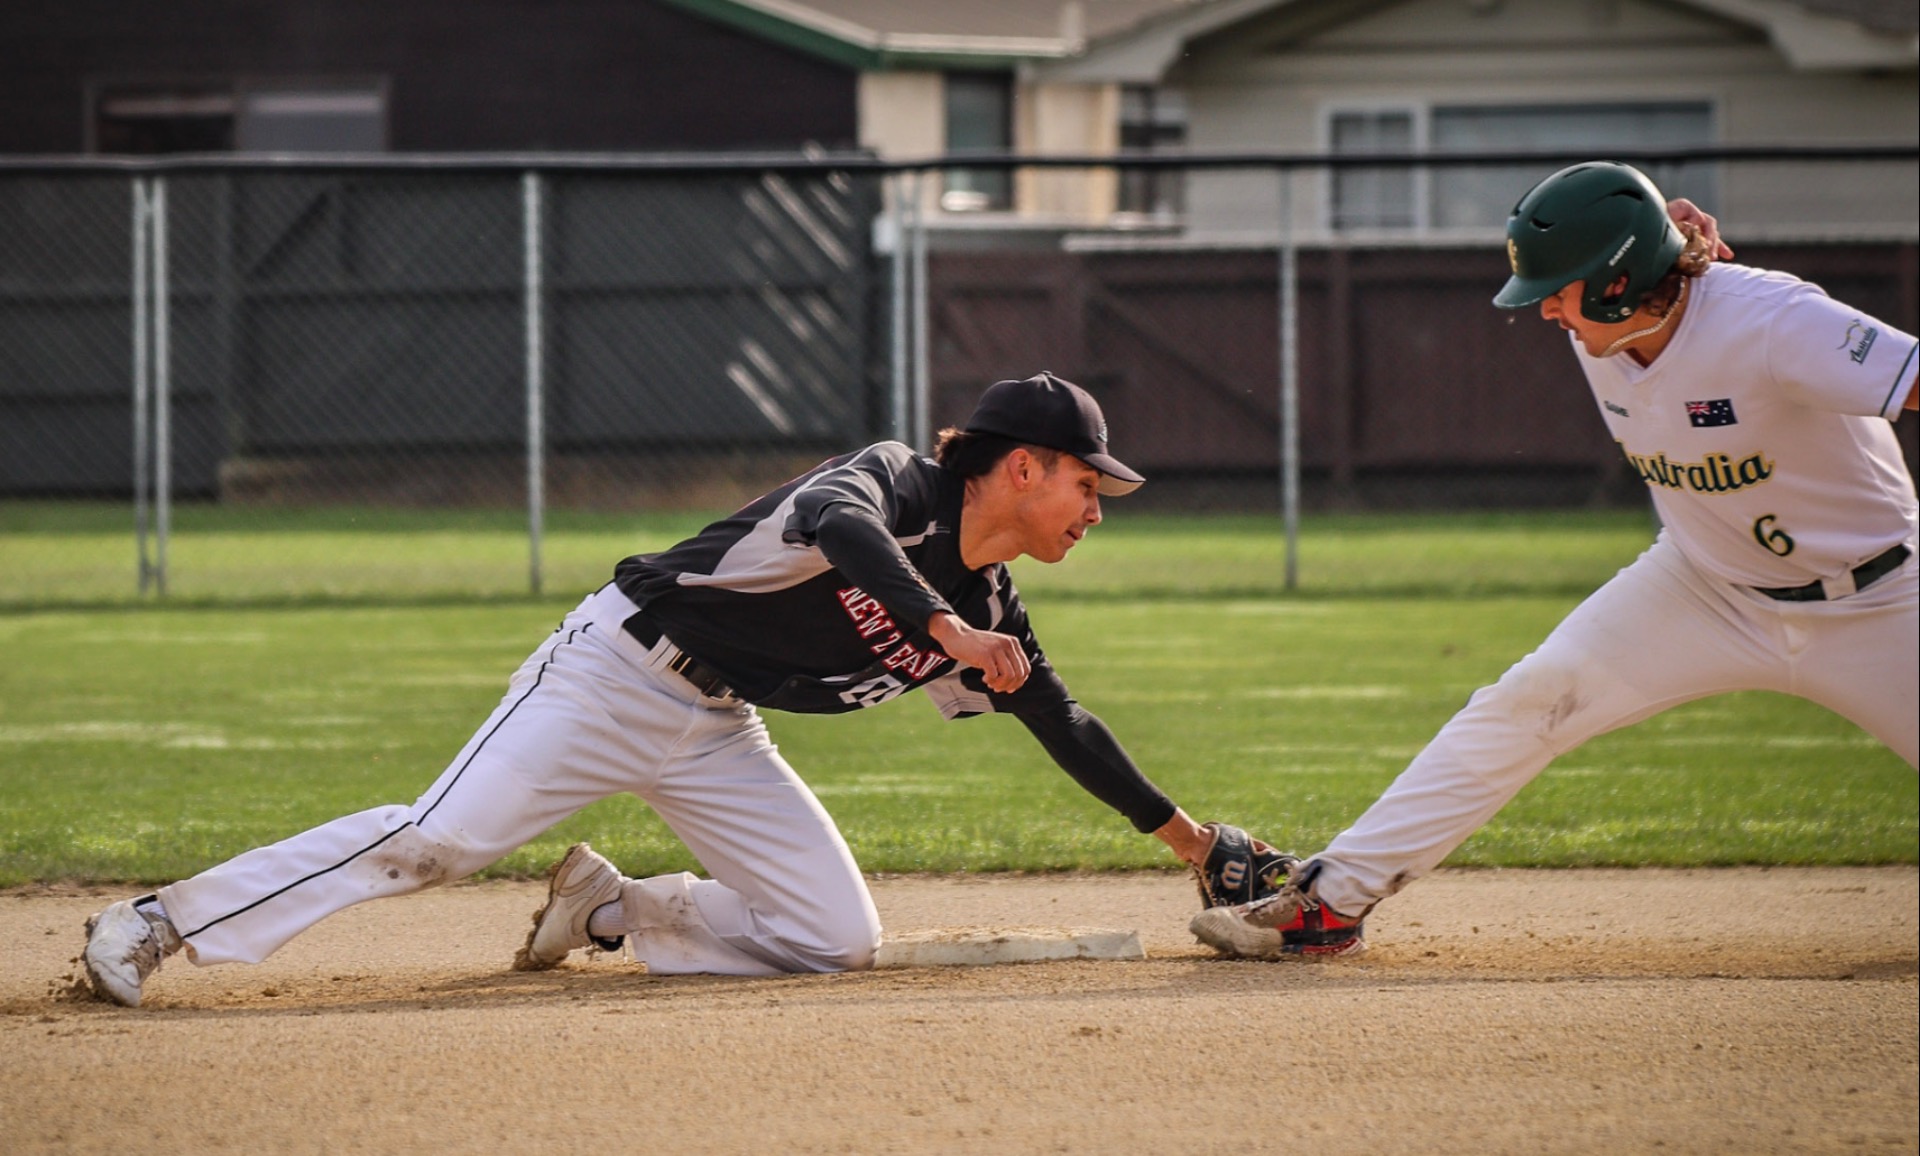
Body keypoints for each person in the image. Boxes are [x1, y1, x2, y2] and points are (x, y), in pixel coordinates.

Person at [83, 372, 1228, 1005]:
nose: (1095, 506)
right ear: (1017, 466)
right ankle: (156, 922)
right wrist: (939, 626)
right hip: (614, 672)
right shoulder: (892, 480)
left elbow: (1061, 719)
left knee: (834, 937)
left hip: (716, 728)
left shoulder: (991, 604)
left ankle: (613, 908)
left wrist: (1197, 845)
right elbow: (841, 526)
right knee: (438, 841)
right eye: (1086, 482)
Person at [1193, 160, 1919, 958]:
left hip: (1882, 598)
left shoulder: (1775, 321)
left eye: (1559, 289)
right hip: (1706, 587)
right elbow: (1648, 255)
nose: (1544, 311)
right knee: (1531, 698)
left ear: (1615, 283)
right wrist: (1660, 241)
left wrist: (1660, 244)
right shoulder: (1609, 326)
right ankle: (1329, 905)